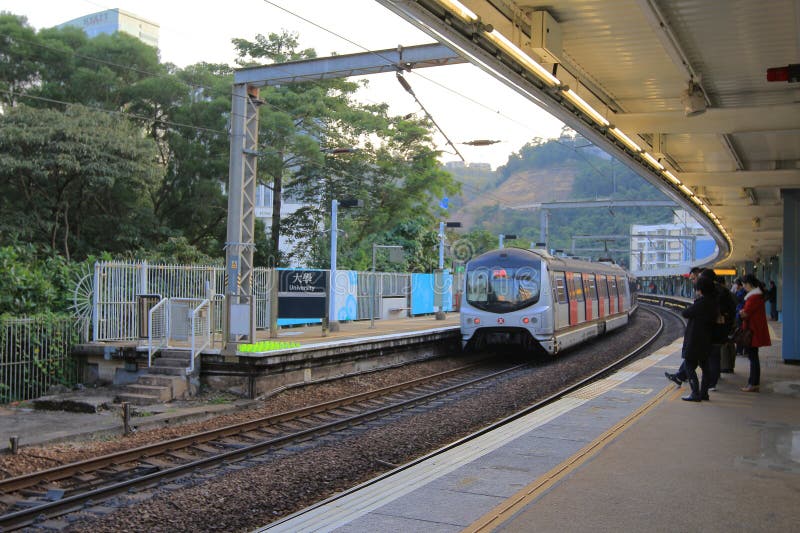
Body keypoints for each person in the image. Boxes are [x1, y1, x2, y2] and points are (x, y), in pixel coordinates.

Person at [679, 275, 718, 401]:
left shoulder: (702, 303)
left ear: (700, 289)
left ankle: (695, 393)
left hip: (695, 340)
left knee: (689, 366)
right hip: (707, 339)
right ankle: (704, 393)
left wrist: (695, 302)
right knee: (705, 367)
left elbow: (685, 313)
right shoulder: (713, 302)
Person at [739, 273, 771, 392]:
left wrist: (742, 312)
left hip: (753, 332)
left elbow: (745, 313)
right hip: (754, 330)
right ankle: (752, 382)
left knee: (753, 358)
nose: (743, 287)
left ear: (748, 284)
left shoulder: (753, 297)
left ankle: (753, 383)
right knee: (753, 357)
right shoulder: (756, 296)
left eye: (743, 285)